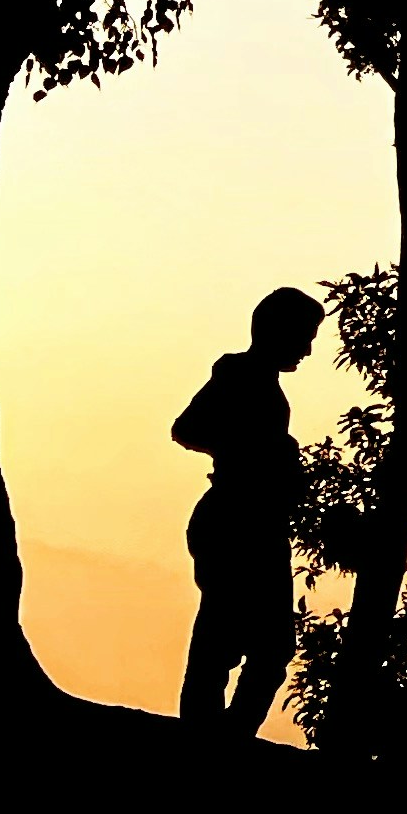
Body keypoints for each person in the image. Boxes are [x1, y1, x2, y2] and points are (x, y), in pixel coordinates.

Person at [172, 287, 324, 741]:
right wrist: (259, 450)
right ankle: (212, 737)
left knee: (261, 643)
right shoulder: (238, 373)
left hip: (255, 523)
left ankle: (225, 735)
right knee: (229, 639)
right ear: (276, 330)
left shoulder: (259, 382)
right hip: (235, 521)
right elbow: (187, 428)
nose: (307, 349)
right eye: (303, 336)